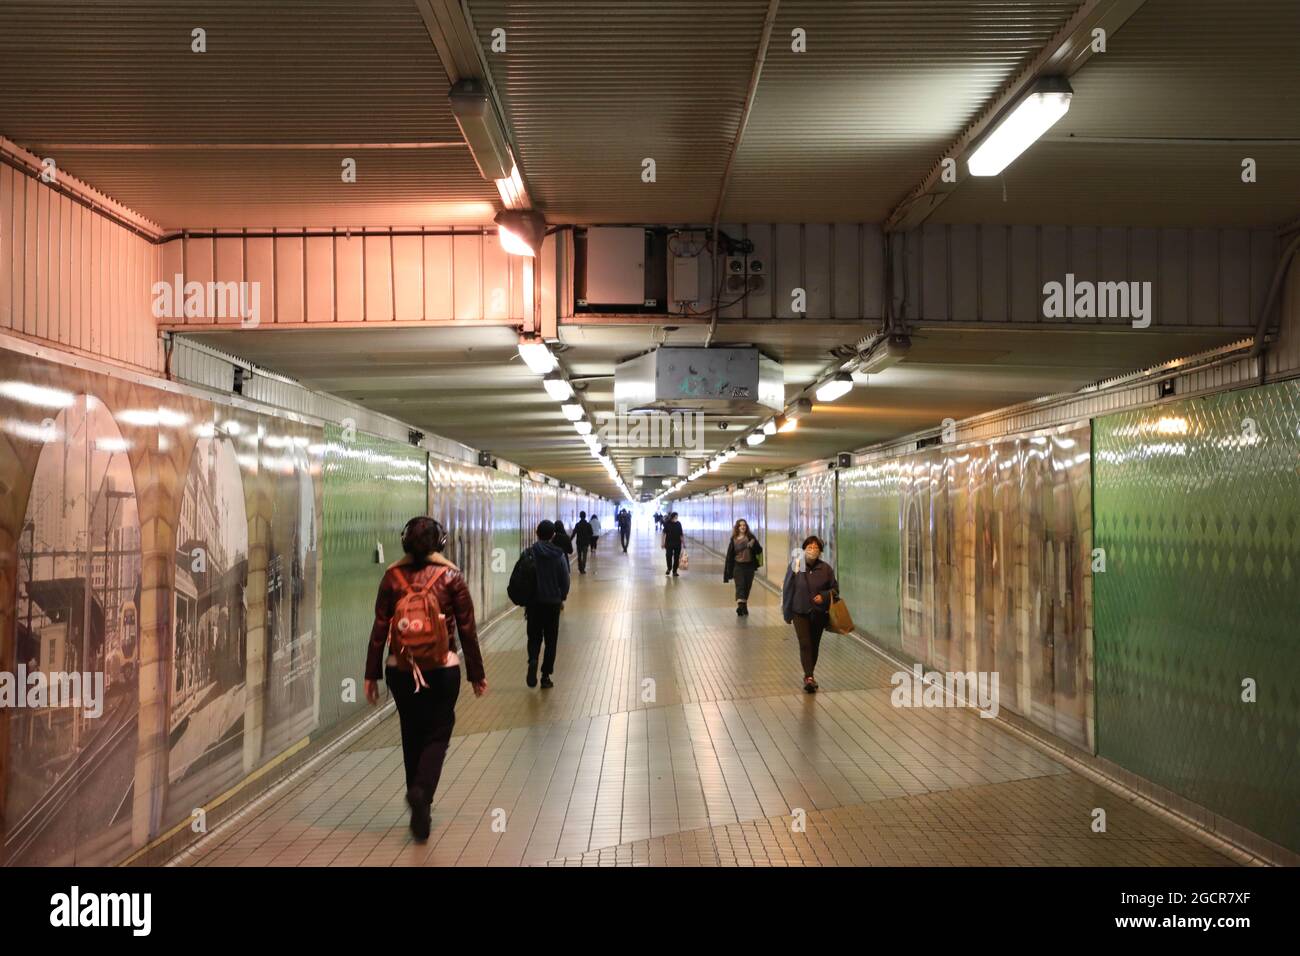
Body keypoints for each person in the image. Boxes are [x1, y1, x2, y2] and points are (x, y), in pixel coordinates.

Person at [365, 516, 487, 841]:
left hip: (401, 670)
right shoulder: (451, 576)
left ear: (405, 541)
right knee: (438, 732)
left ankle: (419, 805)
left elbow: (380, 628)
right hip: (442, 668)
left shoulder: (391, 577)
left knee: (411, 732)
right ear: (440, 542)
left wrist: (370, 674)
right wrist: (476, 674)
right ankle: (421, 793)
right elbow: (467, 629)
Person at [782, 535, 838, 694]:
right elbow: (788, 589)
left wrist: (824, 596)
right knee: (805, 644)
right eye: (809, 547)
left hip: (819, 613)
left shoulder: (826, 569)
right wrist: (787, 613)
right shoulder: (796, 566)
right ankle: (809, 676)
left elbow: (835, 589)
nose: (812, 550)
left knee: (814, 645)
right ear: (804, 549)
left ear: (820, 551)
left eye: (815, 548)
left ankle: (809, 674)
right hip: (799, 611)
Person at [524, 520, 570, 689]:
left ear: (537, 533)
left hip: (534, 603)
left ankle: (533, 659)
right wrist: (562, 596)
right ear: (552, 535)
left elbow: (521, 576)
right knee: (551, 640)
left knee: (534, 636)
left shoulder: (529, 553)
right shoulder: (558, 555)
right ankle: (545, 676)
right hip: (552, 603)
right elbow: (565, 579)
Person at [723, 518, 763, 616]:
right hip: (738, 566)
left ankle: (743, 606)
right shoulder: (733, 539)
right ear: (737, 527)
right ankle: (740, 607)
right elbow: (729, 555)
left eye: (744, 525)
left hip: (749, 566)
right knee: (740, 586)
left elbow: (759, 550)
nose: (742, 527)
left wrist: (753, 545)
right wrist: (728, 570)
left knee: (747, 587)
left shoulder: (750, 537)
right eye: (740, 525)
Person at [662, 511, 684, 576]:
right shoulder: (667, 523)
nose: (676, 518)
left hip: (677, 543)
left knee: (676, 558)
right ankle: (669, 568)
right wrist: (662, 542)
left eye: (677, 517)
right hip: (669, 543)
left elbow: (681, 534)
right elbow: (663, 533)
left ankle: (675, 571)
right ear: (672, 517)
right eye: (675, 517)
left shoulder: (679, 524)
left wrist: (683, 543)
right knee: (668, 556)